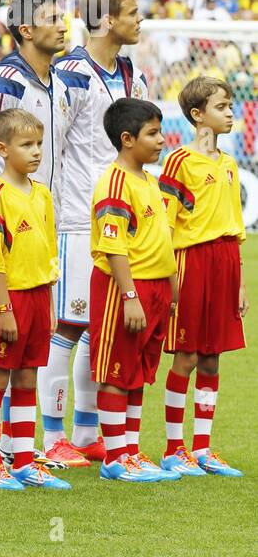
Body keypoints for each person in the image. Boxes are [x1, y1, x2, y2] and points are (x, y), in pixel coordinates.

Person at [0, 0, 88, 468]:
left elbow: (59, 155)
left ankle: (21, 448)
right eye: (51, 18)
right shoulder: (3, 79)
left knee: (29, 351)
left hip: (45, 222)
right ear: (25, 29)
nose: (63, 25)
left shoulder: (63, 84)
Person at [47, 0, 149, 464]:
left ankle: (87, 432)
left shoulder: (133, 74)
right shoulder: (68, 73)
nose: (140, 19)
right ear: (106, 21)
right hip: (75, 217)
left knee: (96, 326)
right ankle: (50, 436)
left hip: (122, 217)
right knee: (67, 324)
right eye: (132, 13)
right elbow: (50, 148)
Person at [0, 109, 69, 490]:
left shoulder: (42, 194)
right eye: (27, 145)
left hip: (40, 298)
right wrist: (5, 307)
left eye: (40, 144)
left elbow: (47, 251)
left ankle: (25, 461)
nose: (37, 152)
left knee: (27, 377)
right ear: (2, 149)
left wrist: (52, 301)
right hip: (7, 301)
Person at [158, 77, 246, 478]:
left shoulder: (229, 164)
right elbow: (164, 224)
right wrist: (169, 276)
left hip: (225, 261)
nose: (230, 114)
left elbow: (233, 226)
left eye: (231, 107)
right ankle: (174, 448)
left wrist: (239, 281)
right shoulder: (179, 161)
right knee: (188, 354)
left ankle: (204, 448)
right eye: (222, 107)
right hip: (190, 261)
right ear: (197, 115)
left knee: (212, 358)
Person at [88, 98, 179, 484]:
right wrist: (129, 297)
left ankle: (131, 450)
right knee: (116, 371)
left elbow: (160, 240)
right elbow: (113, 246)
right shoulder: (115, 184)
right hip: (125, 288)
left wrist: (172, 291)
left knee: (139, 371)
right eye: (152, 134)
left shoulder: (150, 181)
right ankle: (114, 457)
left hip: (156, 288)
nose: (161, 141)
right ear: (127, 139)